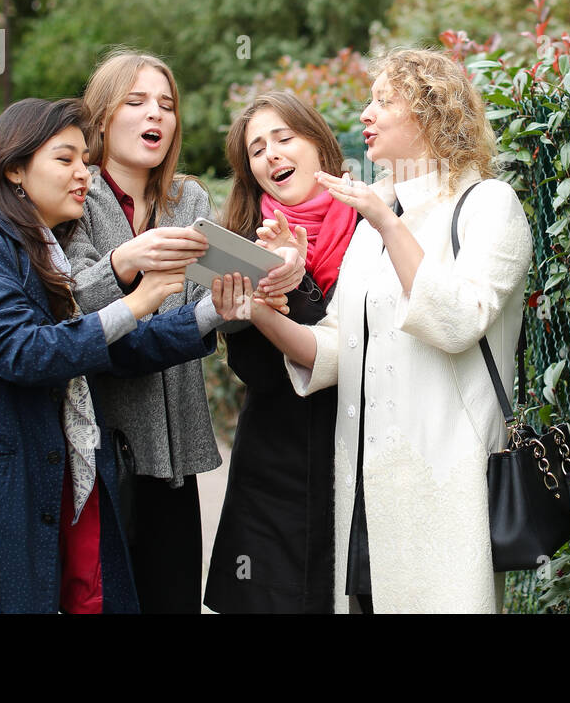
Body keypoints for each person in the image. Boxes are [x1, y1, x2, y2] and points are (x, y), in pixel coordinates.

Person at [211, 49, 533, 613]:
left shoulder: (488, 206)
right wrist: (258, 309)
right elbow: (335, 349)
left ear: (433, 112)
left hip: (443, 485)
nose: (366, 114)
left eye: (384, 101)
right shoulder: (378, 215)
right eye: (368, 100)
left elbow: (455, 321)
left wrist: (385, 221)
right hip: (363, 495)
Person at [0, 98, 215, 613]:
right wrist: (138, 300)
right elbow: (26, 352)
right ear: (14, 168)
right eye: (65, 159)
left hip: (48, 492)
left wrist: (217, 311)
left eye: (85, 160)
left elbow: (104, 350)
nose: (83, 174)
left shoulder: (43, 248)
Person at [63, 50, 301, 613]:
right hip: (99, 450)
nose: (157, 115)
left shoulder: (188, 200)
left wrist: (244, 295)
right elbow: (72, 317)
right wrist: (124, 264)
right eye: (138, 101)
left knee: (174, 601)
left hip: (176, 452)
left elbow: (196, 321)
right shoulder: (76, 193)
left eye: (167, 105)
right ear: (101, 117)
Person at [203, 91, 359, 614]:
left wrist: (303, 270)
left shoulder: (372, 228)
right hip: (275, 465)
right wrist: (277, 282)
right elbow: (254, 369)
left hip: (359, 460)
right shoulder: (244, 245)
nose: (271, 154)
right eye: (256, 149)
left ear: (319, 146)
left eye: (284, 138)